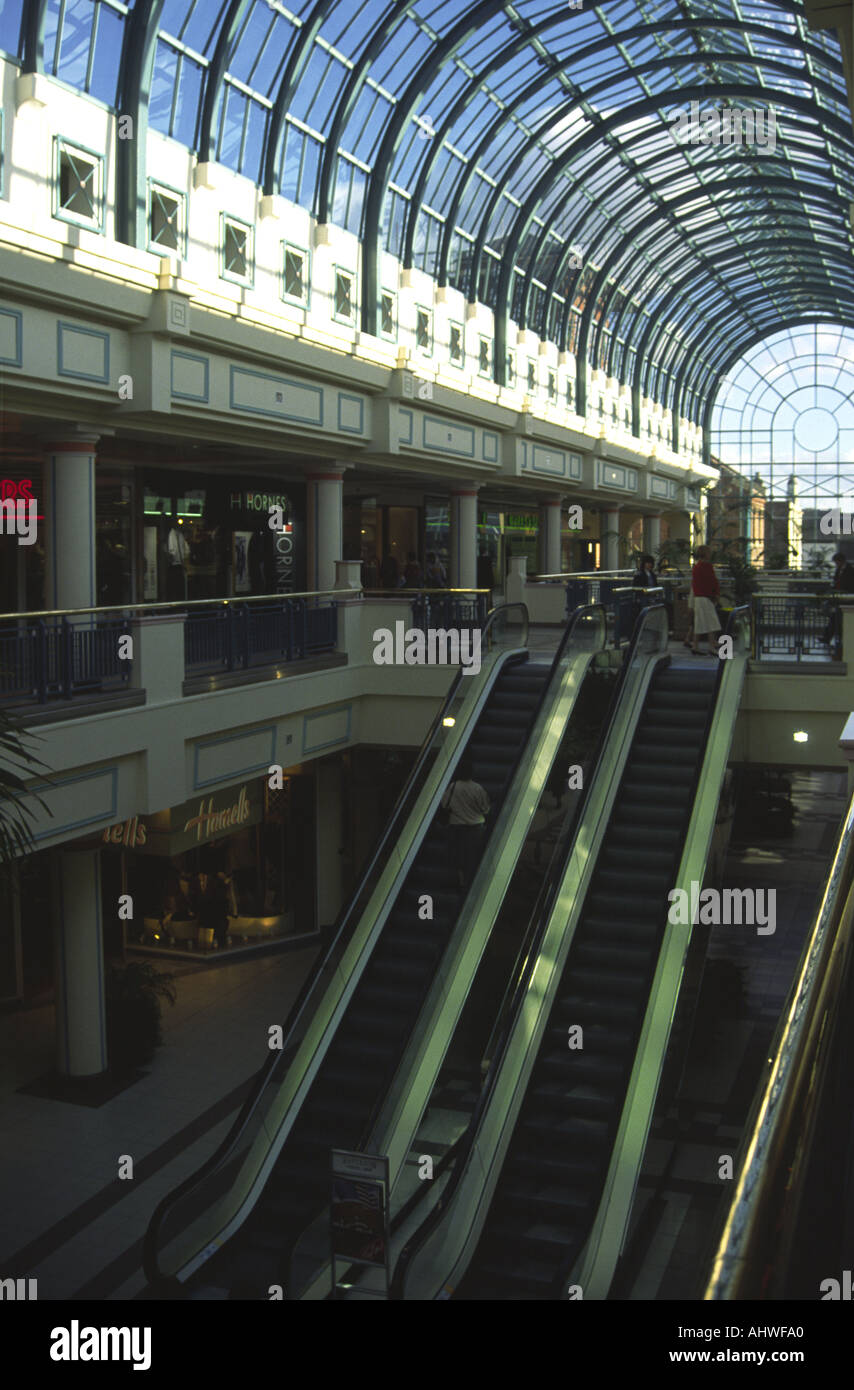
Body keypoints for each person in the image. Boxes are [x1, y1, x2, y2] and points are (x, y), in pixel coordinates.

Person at [440, 753, 491, 891]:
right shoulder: (477, 788)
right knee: (473, 855)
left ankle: (460, 881)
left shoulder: (453, 786)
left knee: (458, 855)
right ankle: (473, 882)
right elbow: (485, 809)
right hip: (475, 827)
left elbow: (444, 805)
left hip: (456, 826)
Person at [689, 545, 720, 655]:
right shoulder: (707, 566)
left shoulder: (696, 567)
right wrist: (715, 595)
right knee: (711, 622)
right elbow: (712, 582)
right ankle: (711, 646)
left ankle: (695, 645)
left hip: (698, 597)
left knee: (700, 622)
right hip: (707, 597)